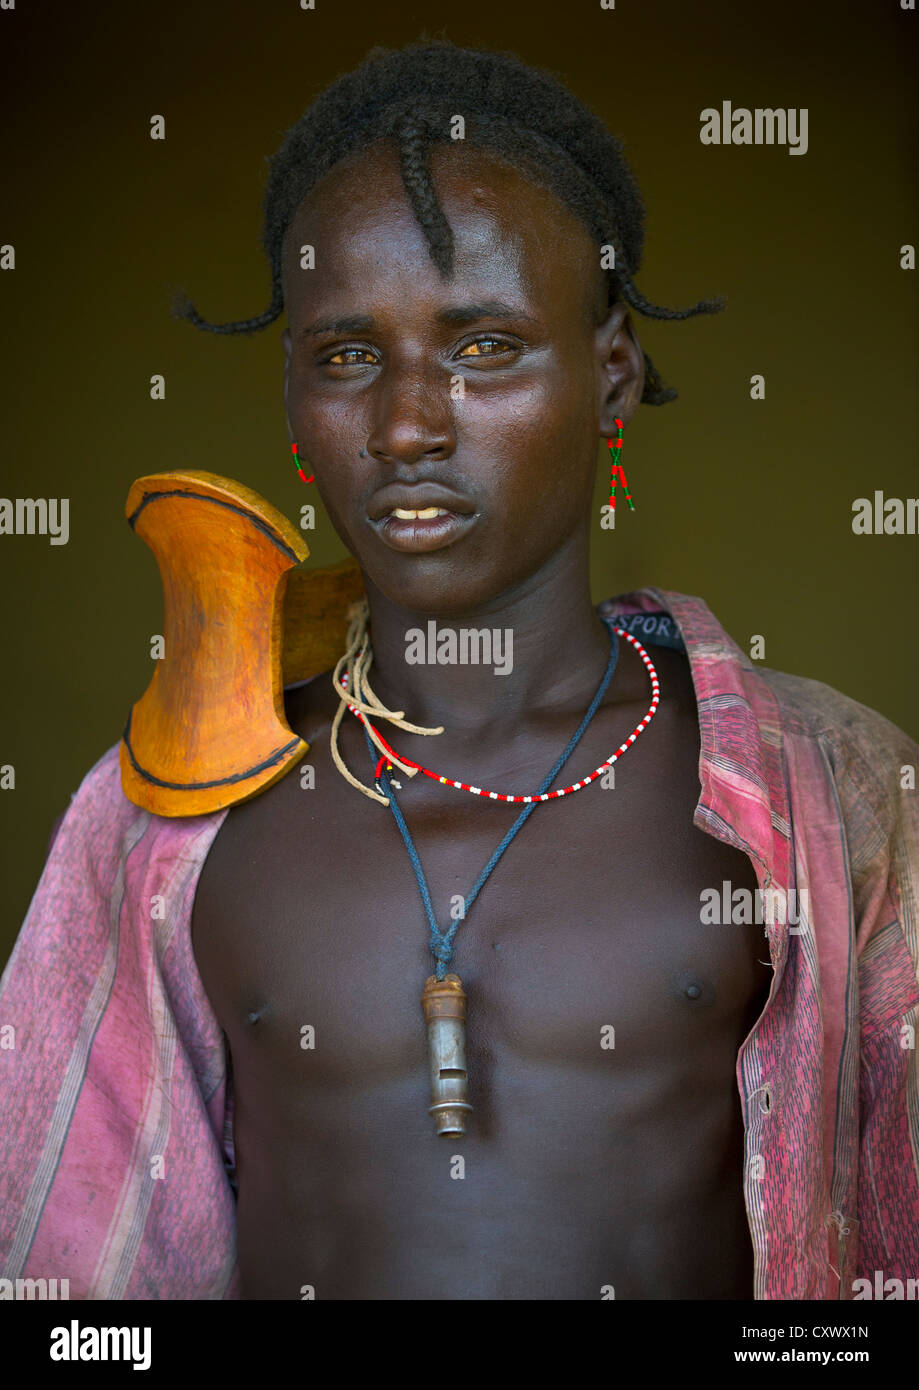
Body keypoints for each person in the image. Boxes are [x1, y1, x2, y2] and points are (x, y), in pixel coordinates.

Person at [2, 39, 917, 1302]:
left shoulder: (837, 790)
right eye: (345, 355)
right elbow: (70, 1310)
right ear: (292, 398)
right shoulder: (165, 814)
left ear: (611, 375)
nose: (406, 426)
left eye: (483, 347)